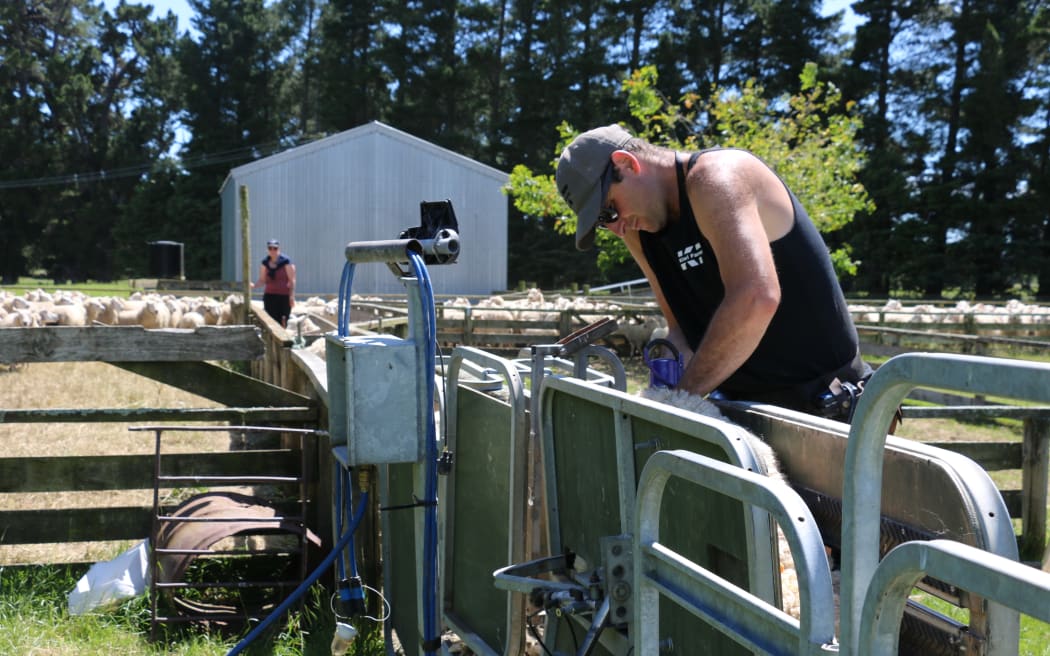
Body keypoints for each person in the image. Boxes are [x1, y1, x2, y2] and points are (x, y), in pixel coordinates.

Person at [556, 124, 872, 421]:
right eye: (602, 222)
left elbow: (756, 298)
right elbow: (681, 332)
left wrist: (680, 399)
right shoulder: (638, 230)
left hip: (828, 409)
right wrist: (658, 397)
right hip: (744, 410)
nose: (616, 228)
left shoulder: (717, 178)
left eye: (609, 209)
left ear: (626, 164)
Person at [252, 239, 296, 327]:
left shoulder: (286, 261)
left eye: (275, 248)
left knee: (283, 321)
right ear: (267, 250)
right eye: (270, 248)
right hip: (270, 296)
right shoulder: (265, 262)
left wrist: (291, 296)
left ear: (279, 249)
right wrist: (254, 286)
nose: (272, 250)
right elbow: (262, 280)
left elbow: (292, 280)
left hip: (284, 296)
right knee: (271, 321)